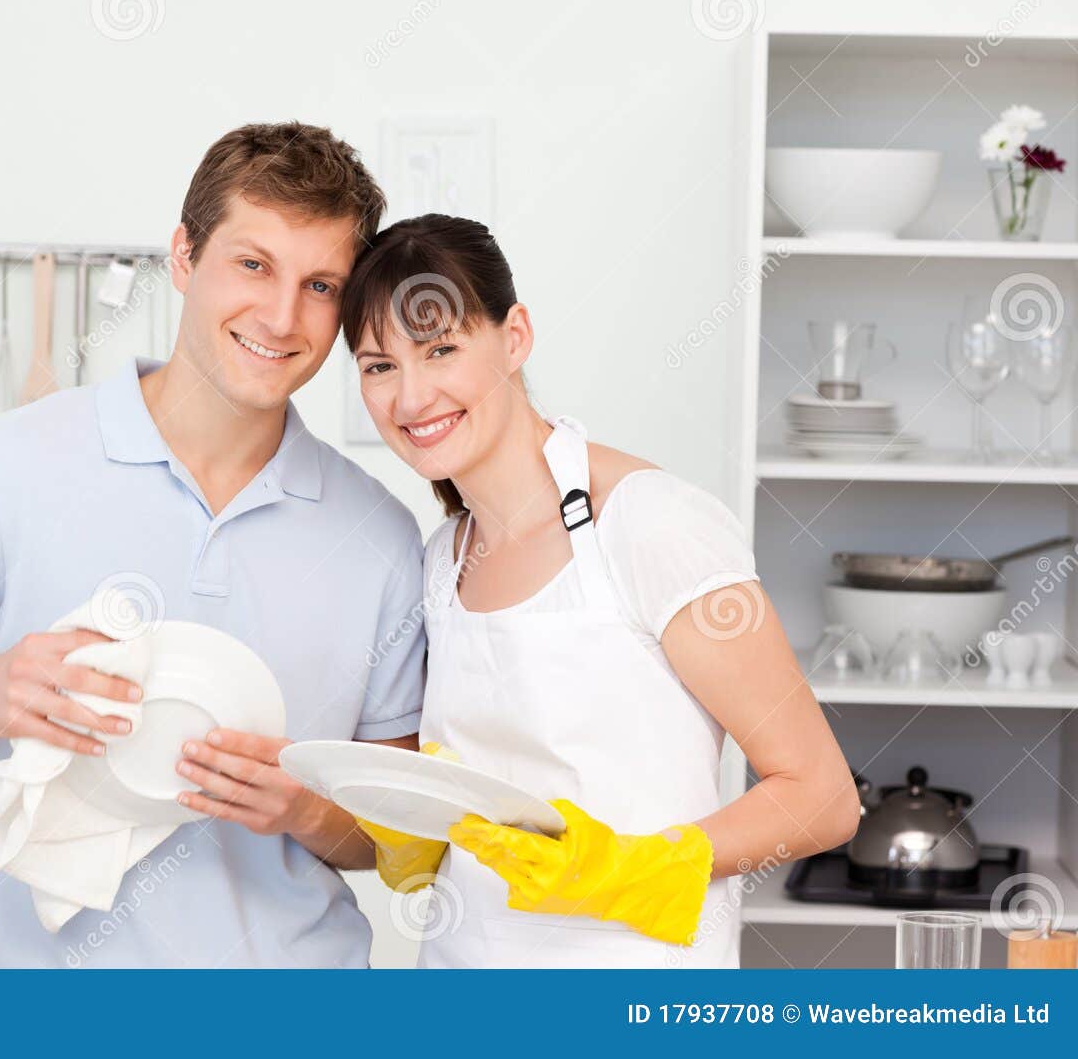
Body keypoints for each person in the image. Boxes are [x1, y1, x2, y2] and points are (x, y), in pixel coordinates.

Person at [0, 123, 427, 967]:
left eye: (320, 284)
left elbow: (401, 834)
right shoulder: (8, 466)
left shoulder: (381, 536)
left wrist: (305, 810)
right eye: (252, 265)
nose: (282, 315)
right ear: (183, 256)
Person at [342, 214, 859, 967]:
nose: (411, 395)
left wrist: (633, 868)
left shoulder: (650, 523)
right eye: (378, 365)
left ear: (514, 336)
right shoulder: (441, 561)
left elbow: (822, 794)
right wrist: (407, 823)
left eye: (442, 349)